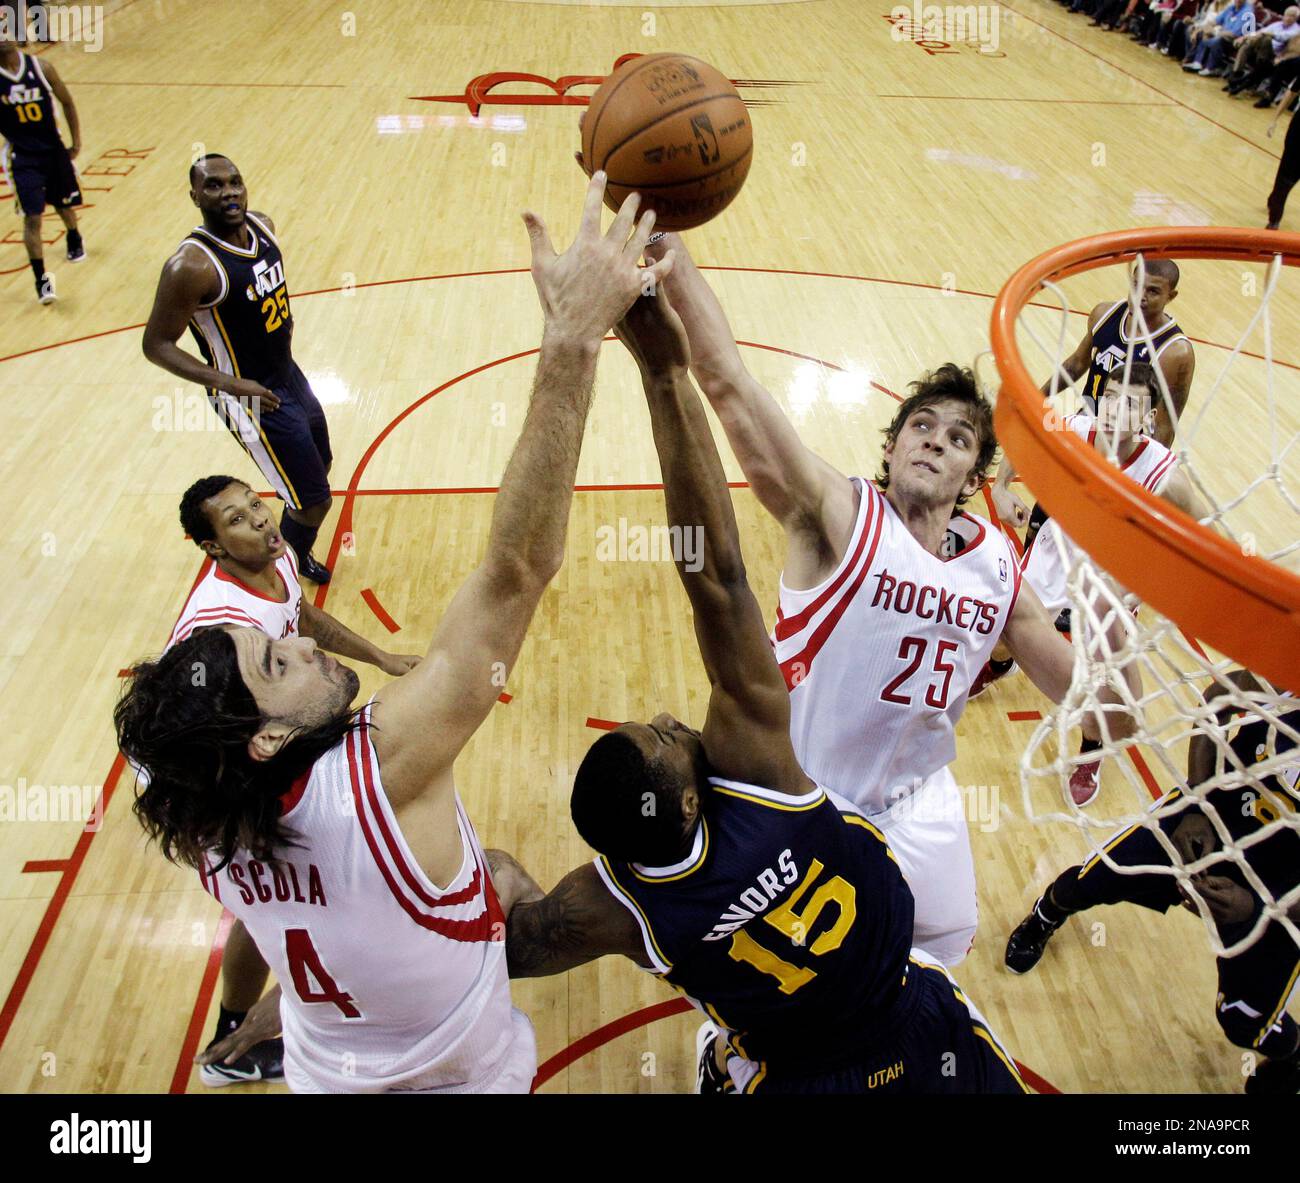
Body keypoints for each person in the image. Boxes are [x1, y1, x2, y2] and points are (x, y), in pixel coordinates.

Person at [118, 174, 674, 1092]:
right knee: (544, 893)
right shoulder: (385, 768)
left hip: (331, 1061)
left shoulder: (207, 821)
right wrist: (574, 336)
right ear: (265, 737)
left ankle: (236, 1043)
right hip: (463, 1076)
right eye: (276, 658)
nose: (298, 643)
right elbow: (516, 570)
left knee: (488, 871)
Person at [506, 287, 1028, 1095]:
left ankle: (726, 1060)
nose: (675, 719)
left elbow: (523, 943)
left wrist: (492, 878)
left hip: (811, 1039)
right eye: (666, 738)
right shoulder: (764, 777)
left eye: (958, 437)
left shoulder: (619, 907)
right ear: (687, 802)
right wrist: (666, 367)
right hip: (907, 1002)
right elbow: (716, 575)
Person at [632, 233, 1136, 968]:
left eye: (959, 437)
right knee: (770, 972)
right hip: (802, 788)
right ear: (891, 449)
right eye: (921, 427)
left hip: (915, 799)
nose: (935, 441)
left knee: (941, 947)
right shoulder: (836, 516)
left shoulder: (997, 566)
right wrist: (674, 261)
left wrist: (1120, 620)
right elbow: (730, 381)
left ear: (974, 476)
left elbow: (1085, 700)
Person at [167, 473, 421, 1086]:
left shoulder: (274, 565)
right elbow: (195, 736)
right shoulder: (220, 625)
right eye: (235, 519)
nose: (257, 518)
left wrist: (383, 659)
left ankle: (238, 1030)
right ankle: (243, 1042)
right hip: (214, 786)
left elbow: (302, 618)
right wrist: (245, 825)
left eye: (255, 503)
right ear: (215, 547)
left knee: (272, 916)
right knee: (288, 913)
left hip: (256, 761)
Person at [1005, 668, 1300, 1095]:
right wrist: (1198, 798)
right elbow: (1216, 695)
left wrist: (1258, 906)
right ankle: (1046, 915)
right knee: (1092, 881)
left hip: (1281, 889)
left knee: (1244, 1023)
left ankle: (1289, 1058)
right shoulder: (1286, 672)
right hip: (1212, 817)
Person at [1003, 364, 1213, 804]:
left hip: (1107, 588)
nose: (1117, 410)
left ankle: (1091, 752)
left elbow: (1205, 536)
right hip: (1051, 556)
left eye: (1132, 403)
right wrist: (1003, 486)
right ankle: (997, 664)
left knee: (1100, 685)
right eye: (1112, 397)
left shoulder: (1163, 474)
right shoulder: (1075, 428)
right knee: (1005, 632)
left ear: (1149, 417)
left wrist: (1148, 584)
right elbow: (1020, 437)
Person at [143, 155, 336, 585]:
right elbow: (155, 345)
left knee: (319, 467)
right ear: (194, 195)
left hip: (288, 375)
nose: (228, 192)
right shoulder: (190, 267)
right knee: (312, 503)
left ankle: (292, 547)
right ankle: (278, 582)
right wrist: (230, 383)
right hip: (247, 395)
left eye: (235, 182)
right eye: (213, 185)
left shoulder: (263, 226)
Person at [0, 29, 84, 305]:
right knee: (32, 218)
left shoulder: (41, 67)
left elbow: (68, 101)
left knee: (64, 206)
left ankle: (73, 235)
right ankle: (42, 281)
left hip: (53, 150)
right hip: (21, 158)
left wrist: (75, 142)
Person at [1225, 6, 1300, 93]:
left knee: (1266, 39)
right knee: (1246, 47)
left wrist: (1264, 33)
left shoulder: (1297, 30)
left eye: (1292, 16)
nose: (1288, 18)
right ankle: (1236, 75)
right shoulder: (1277, 24)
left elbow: (1282, 37)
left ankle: (1242, 81)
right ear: (1284, 15)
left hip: (1274, 55)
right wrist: (1243, 37)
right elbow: (1260, 32)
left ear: (1296, 18)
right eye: (1287, 15)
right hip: (1261, 51)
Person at [1183, 0, 1258, 75]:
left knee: (1217, 39)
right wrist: (1206, 27)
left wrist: (1215, 32)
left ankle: (1212, 68)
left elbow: (1235, 33)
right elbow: (1216, 21)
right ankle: (1197, 62)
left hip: (1236, 40)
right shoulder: (1231, 8)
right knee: (1204, 33)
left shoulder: (1248, 12)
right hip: (1222, 34)